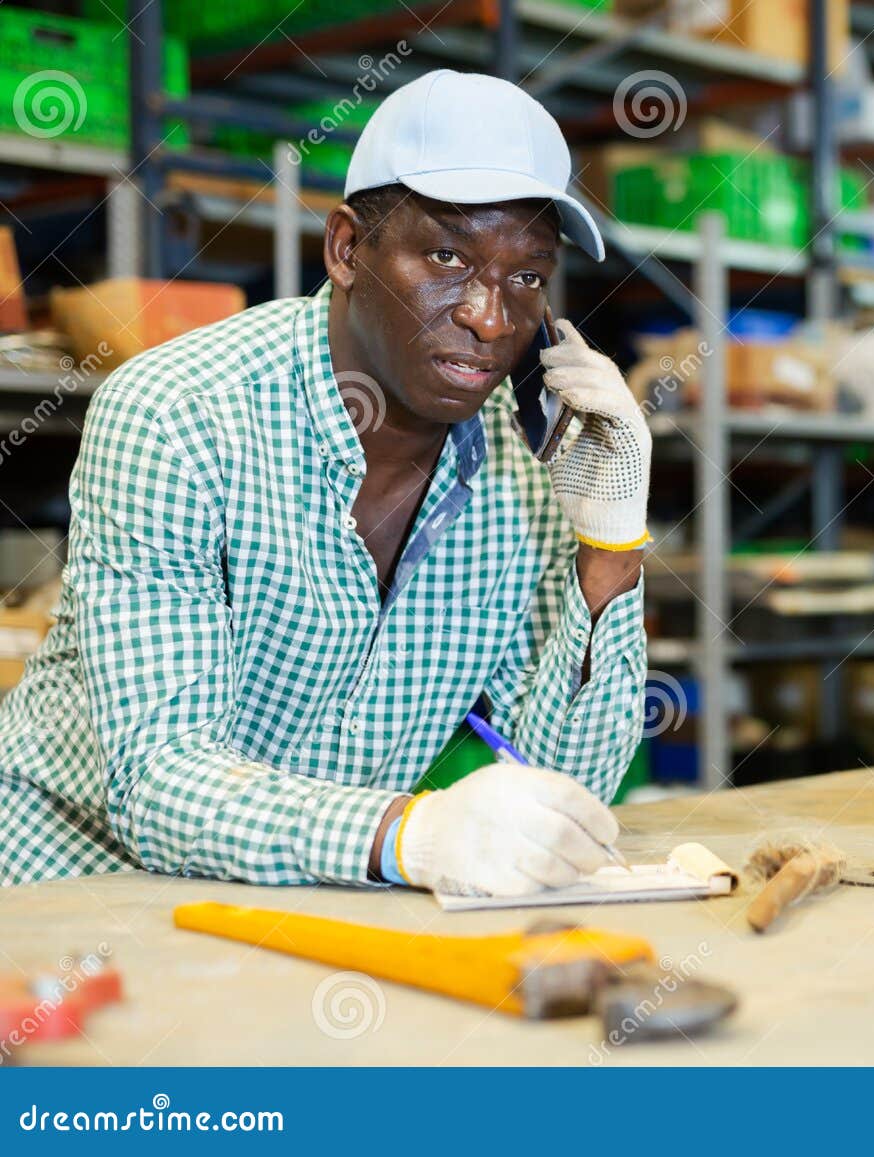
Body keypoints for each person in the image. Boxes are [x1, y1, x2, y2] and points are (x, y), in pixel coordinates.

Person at [0, 70, 650, 897]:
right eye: (447, 256)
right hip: (75, 897)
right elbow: (157, 781)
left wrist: (610, 552)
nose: (491, 316)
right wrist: (409, 831)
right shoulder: (180, 418)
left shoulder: (520, 481)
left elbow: (567, 793)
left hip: (307, 908)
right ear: (346, 249)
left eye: (526, 275)